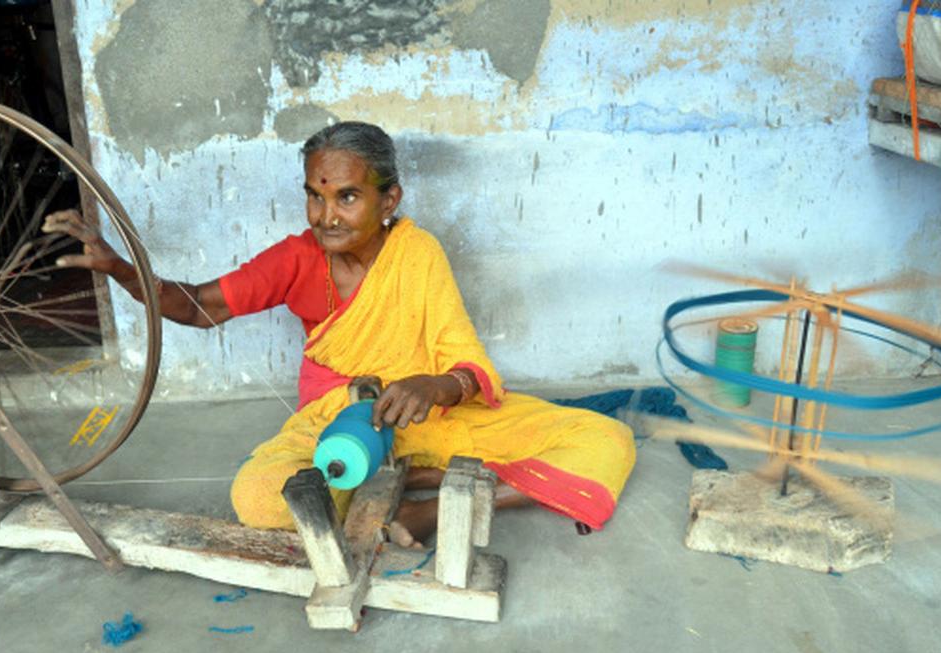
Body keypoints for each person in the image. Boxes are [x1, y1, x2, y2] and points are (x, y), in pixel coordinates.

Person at [43, 122, 636, 546]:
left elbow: (462, 360)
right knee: (257, 496)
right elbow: (198, 306)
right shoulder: (296, 258)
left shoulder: (418, 253)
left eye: (347, 196)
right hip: (337, 423)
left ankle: (425, 506)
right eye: (316, 195)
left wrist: (433, 386)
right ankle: (403, 479)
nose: (327, 216)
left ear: (389, 199)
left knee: (605, 439)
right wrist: (120, 268)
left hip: (428, 418)